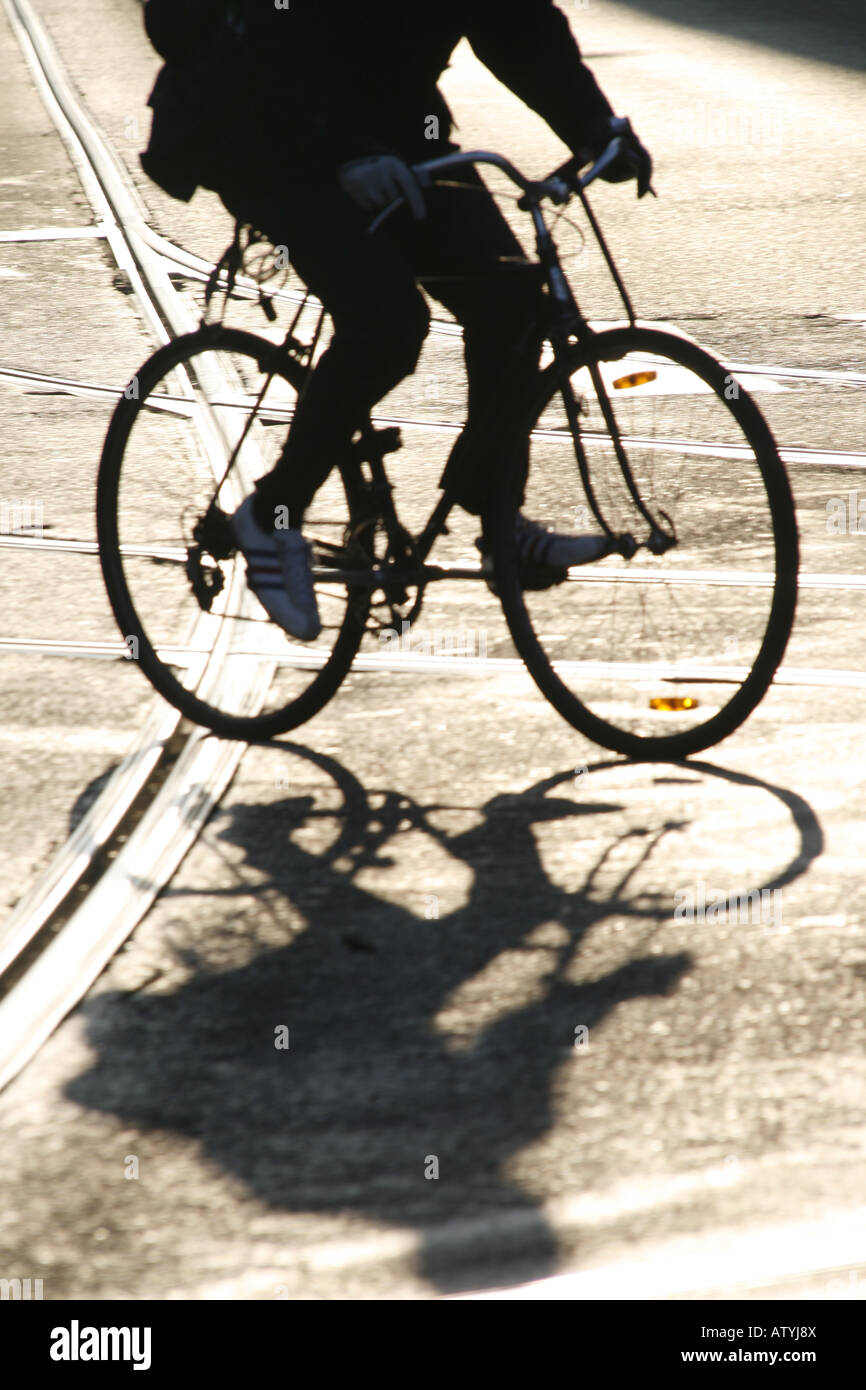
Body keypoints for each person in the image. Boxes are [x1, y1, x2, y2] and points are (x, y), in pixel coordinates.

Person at [141, 1, 652, 640]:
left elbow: (518, 23)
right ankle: (272, 516)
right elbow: (285, 32)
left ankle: (499, 521)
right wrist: (346, 150)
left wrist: (596, 127)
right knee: (387, 324)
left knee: (514, 302)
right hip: (262, 132)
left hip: (394, 129)